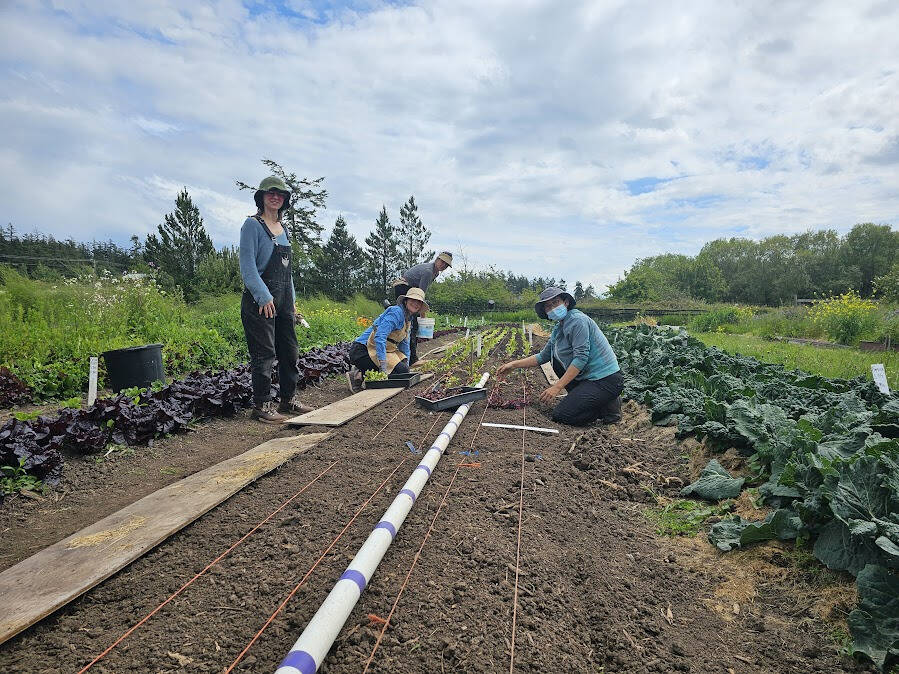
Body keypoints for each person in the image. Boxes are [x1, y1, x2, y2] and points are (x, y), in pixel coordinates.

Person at [239, 176, 314, 423]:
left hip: (283, 301)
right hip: (259, 302)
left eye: (280, 195)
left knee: (289, 351)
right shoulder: (252, 225)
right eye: (270, 193)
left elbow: (287, 273)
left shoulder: (284, 230)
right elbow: (248, 268)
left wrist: (291, 302)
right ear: (261, 197)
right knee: (265, 353)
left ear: (285, 201)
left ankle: (288, 400)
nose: (275, 197)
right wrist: (263, 296)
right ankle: (261, 406)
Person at [496, 287, 623, 426]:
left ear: (566, 302)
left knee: (562, 415)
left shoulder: (577, 320)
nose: (552, 308)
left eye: (555, 302)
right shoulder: (559, 327)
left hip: (605, 380)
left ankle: (605, 408)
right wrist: (513, 364)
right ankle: (595, 400)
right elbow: (543, 356)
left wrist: (557, 387)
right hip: (588, 378)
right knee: (555, 360)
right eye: (548, 306)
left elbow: (581, 358)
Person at [346, 287, 428, 392]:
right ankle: (358, 374)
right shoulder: (396, 313)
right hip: (363, 350)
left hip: (383, 349)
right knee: (393, 373)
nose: (415, 304)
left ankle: (364, 370)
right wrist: (383, 365)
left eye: (419, 302)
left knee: (403, 372)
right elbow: (379, 337)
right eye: (413, 300)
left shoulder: (408, 319)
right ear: (406, 300)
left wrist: (406, 369)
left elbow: (405, 344)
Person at [392, 252, 453, 364]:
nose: (443, 265)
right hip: (403, 288)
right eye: (442, 262)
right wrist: (422, 314)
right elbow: (420, 294)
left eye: (446, 265)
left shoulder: (435, 273)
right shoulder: (428, 272)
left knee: (410, 324)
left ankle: (409, 357)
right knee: (412, 324)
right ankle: (411, 359)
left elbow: (420, 293)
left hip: (409, 290)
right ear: (437, 259)